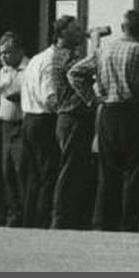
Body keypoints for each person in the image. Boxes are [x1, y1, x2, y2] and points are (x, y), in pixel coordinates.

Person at [67, 9, 139, 232]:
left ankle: (106, 222)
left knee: (108, 170)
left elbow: (74, 73)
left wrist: (93, 99)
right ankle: (128, 223)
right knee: (134, 171)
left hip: (108, 114)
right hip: (133, 113)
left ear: (123, 27)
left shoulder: (104, 50)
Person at [51, 18, 100, 229]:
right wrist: (96, 43)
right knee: (70, 169)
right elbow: (89, 68)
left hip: (74, 118)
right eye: (76, 30)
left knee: (76, 168)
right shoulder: (65, 57)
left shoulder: (66, 54)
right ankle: (61, 219)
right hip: (72, 118)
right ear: (63, 33)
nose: (82, 32)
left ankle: (72, 217)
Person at [20, 26, 63, 229]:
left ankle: (30, 219)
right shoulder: (51, 60)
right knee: (48, 174)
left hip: (28, 118)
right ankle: (41, 220)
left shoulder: (36, 58)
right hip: (44, 119)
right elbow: (49, 96)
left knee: (34, 175)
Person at [0, 31, 27, 227]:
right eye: (1, 53)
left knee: (21, 170)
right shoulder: (3, 70)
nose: (4, 57)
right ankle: (12, 213)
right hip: (5, 125)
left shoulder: (29, 68)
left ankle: (25, 213)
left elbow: (24, 94)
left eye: (8, 53)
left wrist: (7, 92)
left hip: (22, 124)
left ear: (19, 51)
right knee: (7, 171)